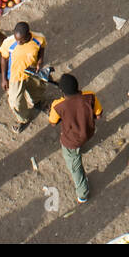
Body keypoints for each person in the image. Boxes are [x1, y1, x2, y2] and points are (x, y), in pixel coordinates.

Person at [49, 74, 102, 202]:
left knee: (75, 167)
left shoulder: (58, 105)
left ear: (62, 91)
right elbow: (99, 115)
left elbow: (52, 123)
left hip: (71, 141)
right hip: (88, 132)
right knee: (81, 142)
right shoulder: (90, 96)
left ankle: (83, 193)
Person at [0, 22, 47, 132]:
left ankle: (38, 102)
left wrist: (40, 61)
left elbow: (42, 48)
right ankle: (24, 119)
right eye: (17, 39)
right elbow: (3, 59)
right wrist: (3, 79)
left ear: (28, 36)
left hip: (32, 72)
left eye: (21, 40)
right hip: (15, 76)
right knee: (16, 102)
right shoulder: (9, 43)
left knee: (37, 89)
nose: (18, 42)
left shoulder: (38, 38)